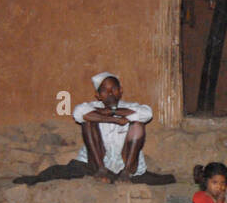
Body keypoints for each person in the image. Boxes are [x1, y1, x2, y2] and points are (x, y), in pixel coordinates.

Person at [13, 72, 174, 186]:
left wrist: (112, 111)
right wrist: (114, 119)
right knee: (87, 123)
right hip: (95, 164)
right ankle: (101, 170)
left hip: (126, 165)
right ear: (98, 95)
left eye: (114, 89)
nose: (110, 93)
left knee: (137, 125)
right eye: (104, 90)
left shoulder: (131, 106)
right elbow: (78, 113)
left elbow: (146, 113)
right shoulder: (91, 106)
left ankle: (126, 173)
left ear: (121, 91)